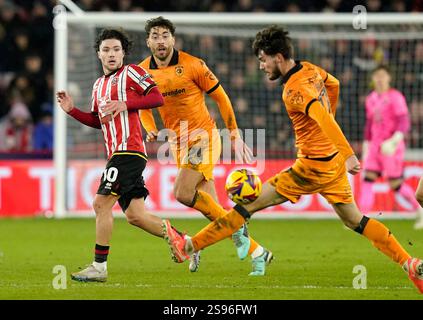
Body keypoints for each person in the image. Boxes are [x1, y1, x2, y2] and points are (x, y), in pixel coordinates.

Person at [163, 25, 423, 294]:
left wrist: (347, 153)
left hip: (312, 166)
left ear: (278, 57)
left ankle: (189, 246)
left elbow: (322, 118)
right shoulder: (310, 69)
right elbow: (334, 84)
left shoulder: (294, 91)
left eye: (263, 59)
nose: (262, 66)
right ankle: (409, 262)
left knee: (244, 207)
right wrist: (332, 135)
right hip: (331, 164)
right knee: (355, 220)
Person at [139, 16, 272, 275]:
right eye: (155, 36)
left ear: (173, 39)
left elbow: (221, 98)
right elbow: (144, 107)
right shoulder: (143, 71)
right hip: (178, 144)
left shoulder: (193, 65)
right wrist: (151, 129)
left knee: (181, 192)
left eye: (165, 35)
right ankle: (258, 252)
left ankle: (233, 229)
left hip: (203, 137)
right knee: (214, 211)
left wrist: (233, 134)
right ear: (148, 42)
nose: (160, 41)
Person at [56, 28, 182, 282]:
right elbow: (97, 121)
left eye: (116, 49)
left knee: (101, 203)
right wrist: (72, 110)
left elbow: (156, 97)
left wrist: (126, 104)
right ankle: (186, 241)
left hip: (129, 150)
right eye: (106, 50)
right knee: (136, 215)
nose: (111, 54)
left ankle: (99, 267)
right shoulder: (98, 85)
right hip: (117, 152)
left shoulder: (132, 72)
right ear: (99, 54)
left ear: (124, 53)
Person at [359, 65, 423, 229]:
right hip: (375, 146)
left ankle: (420, 211)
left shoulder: (396, 97)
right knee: (368, 179)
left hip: (391, 147)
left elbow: (404, 121)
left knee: (395, 184)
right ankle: (361, 218)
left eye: (383, 76)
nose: (380, 79)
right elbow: (369, 124)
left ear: (389, 78)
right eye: (377, 76)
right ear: (373, 79)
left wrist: (395, 140)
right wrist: (366, 145)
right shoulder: (371, 98)